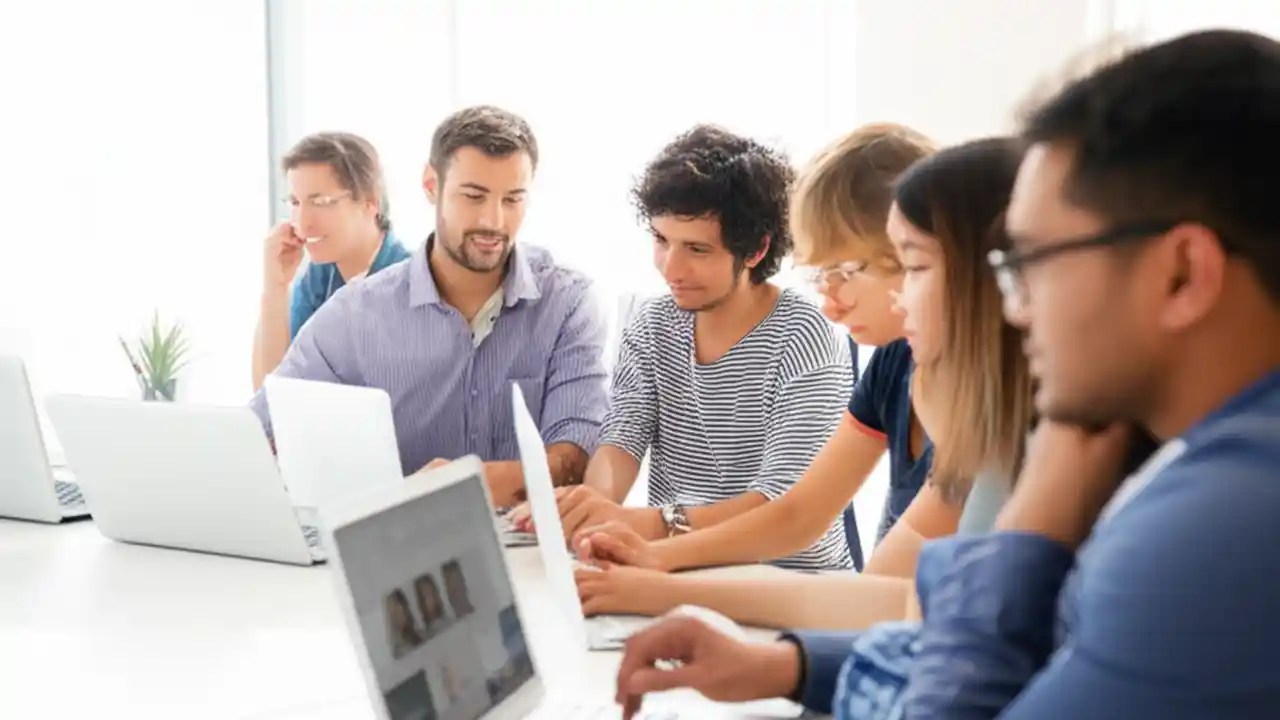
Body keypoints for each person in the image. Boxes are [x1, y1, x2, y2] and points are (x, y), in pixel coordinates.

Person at [623, 29, 1280, 720]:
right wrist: (790, 665)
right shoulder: (1177, 462)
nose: (1011, 308)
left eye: (1033, 263)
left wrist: (1034, 526)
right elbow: (1000, 649)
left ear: (1181, 274)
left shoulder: (1226, 518)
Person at [604, 136, 1038, 718]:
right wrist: (665, 578)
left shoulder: (1032, 434)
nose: (831, 302)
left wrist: (669, 574)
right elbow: (887, 606)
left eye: (910, 267)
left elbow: (815, 535)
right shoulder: (919, 379)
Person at [250, 106, 610, 507]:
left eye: (512, 199)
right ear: (430, 185)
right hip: (399, 551)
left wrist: (464, 483)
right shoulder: (354, 314)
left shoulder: (568, 304)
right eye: (473, 196)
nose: (493, 220)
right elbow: (263, 425)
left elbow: (575, 459)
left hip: (534, 552)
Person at [542, 125, 855, 571]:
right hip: (674, 570)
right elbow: (621, 440)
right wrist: (593, 503)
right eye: (661, 240)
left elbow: (780, 505)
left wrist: (648, 525)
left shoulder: (805, 336)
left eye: (696, 249)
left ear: (755, 250)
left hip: (786, 580)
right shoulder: (652, 325)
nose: (672, 268)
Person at [252, 132, 412, 390]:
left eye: (321, 202)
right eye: (295, 202)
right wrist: (275, 289)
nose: (303, 223)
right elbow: (271, 394)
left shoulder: (412, 284)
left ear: (370, 202)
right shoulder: (319, 278)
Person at [385, 588, 424, 660]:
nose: (394, 613)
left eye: (396, 606)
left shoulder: (423, 635)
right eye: (391, 610)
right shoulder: (398, 651)